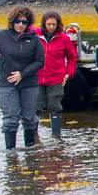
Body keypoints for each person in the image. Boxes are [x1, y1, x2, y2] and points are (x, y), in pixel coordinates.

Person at [0, 6, 44, 149]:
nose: (20, 25)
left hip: (29, 83)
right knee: (11, 118)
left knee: (29, 118)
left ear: (28, 23)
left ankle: (30, 149)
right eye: (17, 21)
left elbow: (40, 61)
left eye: (24, 22)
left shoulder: (34, 39)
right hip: (6, 83)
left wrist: (23, 74)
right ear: (12, 21)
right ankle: (10, 152)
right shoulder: (1, 36)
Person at [32, 10, 77, 139]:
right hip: (37, 78)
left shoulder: (64, 38)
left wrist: (69, 73)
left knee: (55, 106)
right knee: (36, 106)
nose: (51, 27)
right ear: (43, 24)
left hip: (56, 78)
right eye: (49, 24)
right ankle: (34, 136)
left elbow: (72, 57)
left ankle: (56, 136)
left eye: (54, 24)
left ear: (58, 24)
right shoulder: (35, 35)